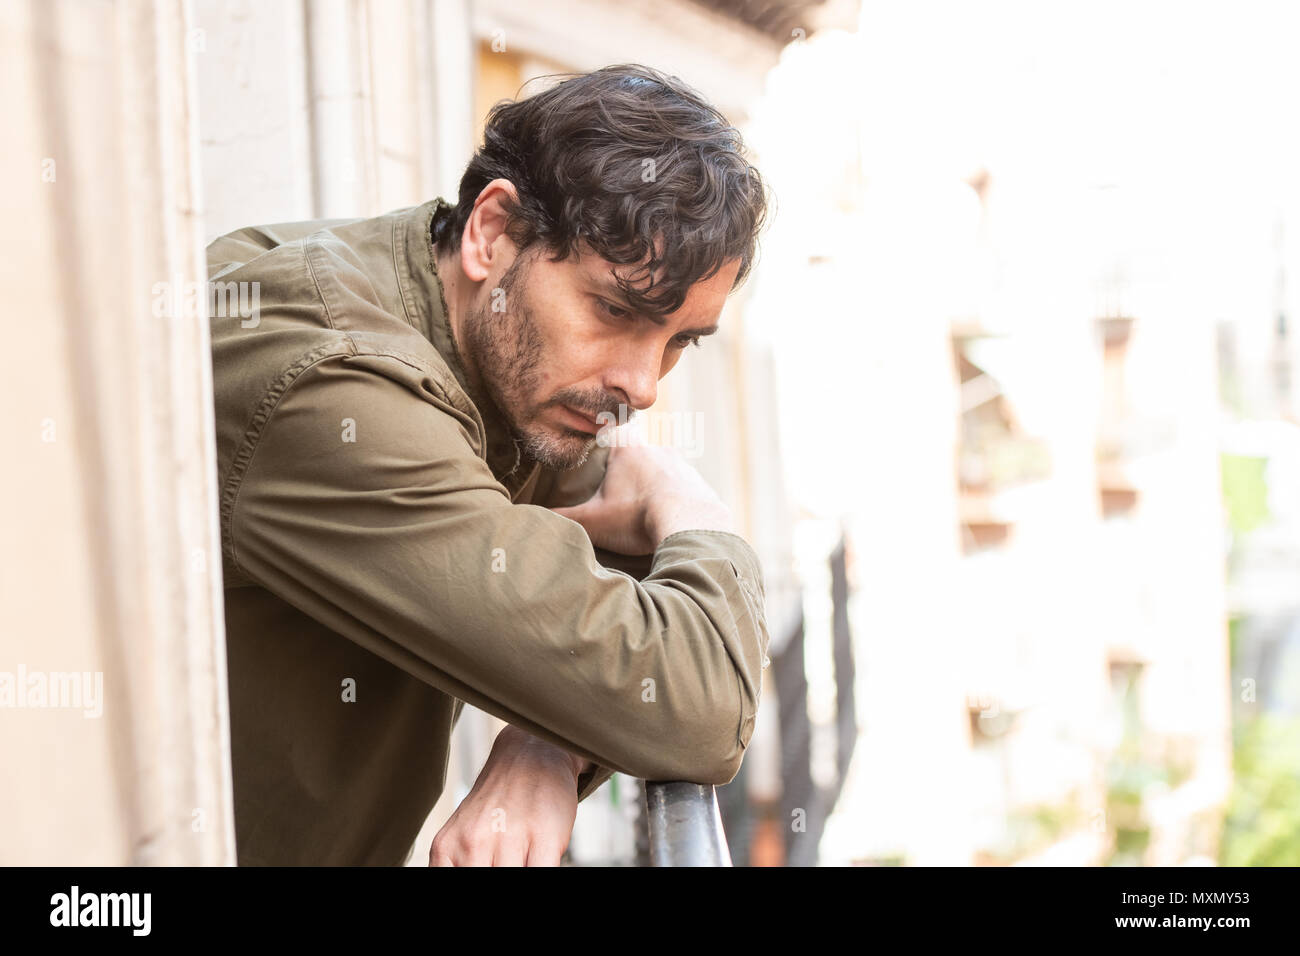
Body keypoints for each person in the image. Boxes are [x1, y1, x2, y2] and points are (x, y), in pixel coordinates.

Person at [205, 63, 771, 866]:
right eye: (615, 310)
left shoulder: (507, 363)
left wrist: (549, 738)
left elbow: (625, 570)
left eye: (678, 339)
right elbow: (700, 699)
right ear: (493, 232)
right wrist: (696, 510)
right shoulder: (334, 389)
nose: (643, 387)